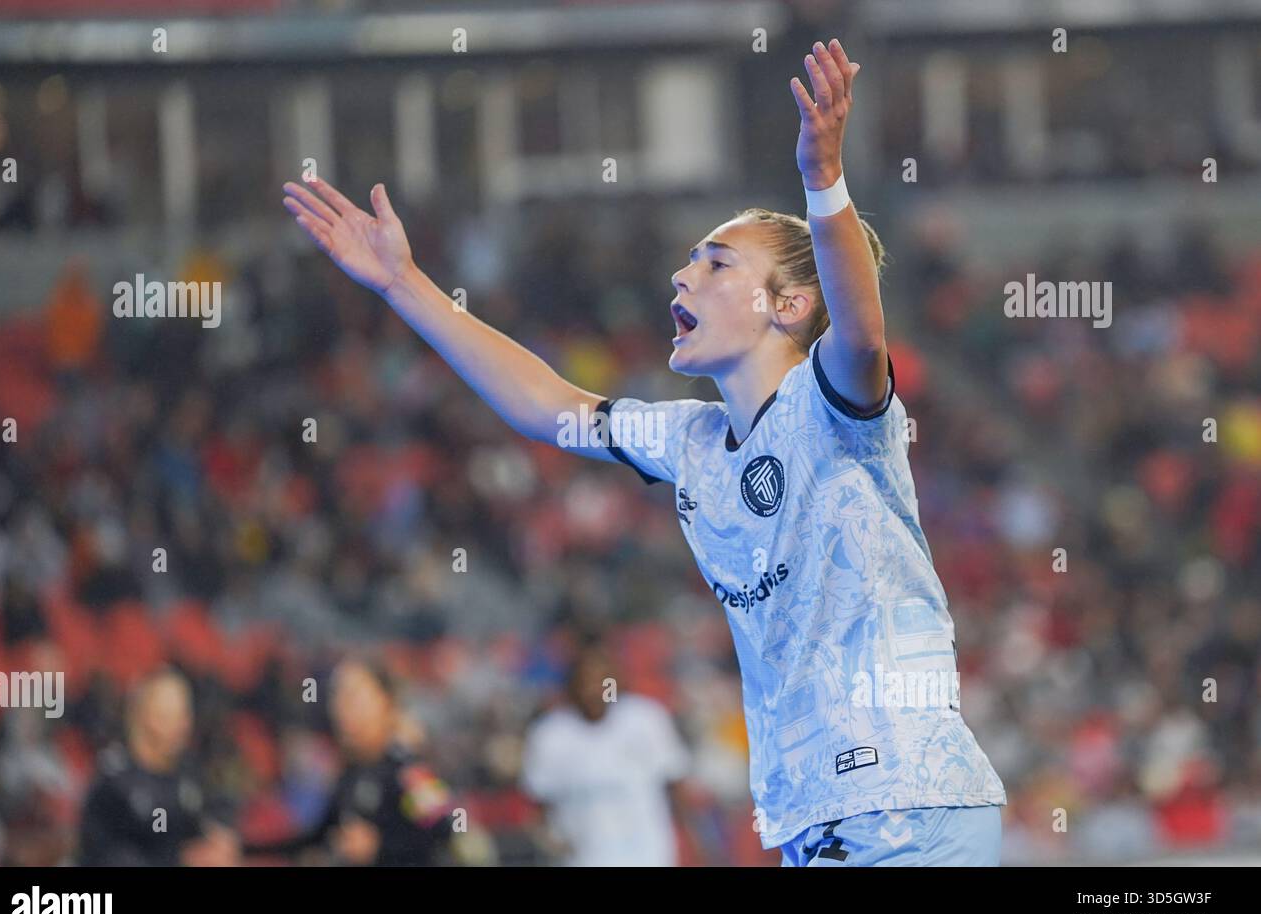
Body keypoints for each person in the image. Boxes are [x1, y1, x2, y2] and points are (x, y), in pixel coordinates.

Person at [282, 37, 1006, 866]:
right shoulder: (690, 440)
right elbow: (547, 405)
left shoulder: (833, 405)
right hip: (817, 822)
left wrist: (823, 179)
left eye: (716, 262)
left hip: (911, 804)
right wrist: (404, 285)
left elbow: (864, 329)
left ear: (790, 303)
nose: (680, 276)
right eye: (690, 259)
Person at [244, 657, 456, 866]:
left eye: (353, 697)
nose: (341, 709)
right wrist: (244, 849)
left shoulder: (407, 770)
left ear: (386, 702)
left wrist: (382, 847)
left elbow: (445, 830)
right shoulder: (352, 773)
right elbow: (319, 837)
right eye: (336, 697)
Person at [521, 643, 689, 866]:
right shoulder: (550, 735)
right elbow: (538, 804)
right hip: (583, 859)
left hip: (648, 856)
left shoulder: (647, 720)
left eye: (602, 681)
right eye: (585, 681)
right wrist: (554, 842)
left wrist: (696, 843)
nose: (593, 689)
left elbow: (675, 786)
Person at [77, 669, 239, 866]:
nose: (183, 725)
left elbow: (204, 823)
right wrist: (180, 861)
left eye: (185, 714)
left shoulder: (189, 774)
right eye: (170, 715)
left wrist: (217, 841)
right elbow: (107, 855)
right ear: (145, 715)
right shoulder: (114, 779)